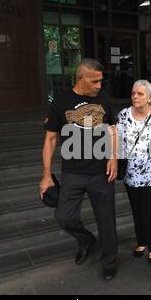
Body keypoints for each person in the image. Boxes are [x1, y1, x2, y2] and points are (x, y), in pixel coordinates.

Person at [39, 58, 118, 281]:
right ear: (80, 78)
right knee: (64, 217)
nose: (99, 86)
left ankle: (109, 262)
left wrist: (114, 157)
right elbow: (51, 139)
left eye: (101, 81)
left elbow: (113, 128)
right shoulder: (61, 102)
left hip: (101, 172)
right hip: (73, 172)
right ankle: (86, 241)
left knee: (107, 221)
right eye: (94, 82)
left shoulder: (102, 98)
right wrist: (46, 175)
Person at [116, 80, 151, 265]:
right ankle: (141, 241)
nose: (135, 96)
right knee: (136, 210)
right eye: (133, 93)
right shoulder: (122, 115)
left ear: (149, 97)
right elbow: (118, 144)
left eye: (140, 94)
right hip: (131, 174)